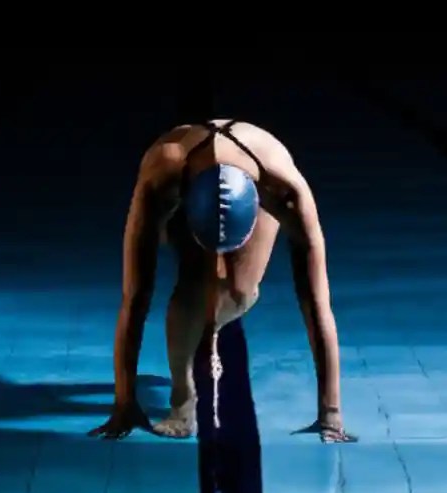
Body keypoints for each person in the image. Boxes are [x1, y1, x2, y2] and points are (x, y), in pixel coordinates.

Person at [88, 119, 354, 443]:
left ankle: (207, 331)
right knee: (189, 292)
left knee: (239, 291)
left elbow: (316, 302)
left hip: (253, 172)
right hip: (186, 178)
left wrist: (331, 414)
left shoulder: (284, 190)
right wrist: (124, 401)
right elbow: (134, 297)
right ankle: (182, 398)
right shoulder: (160, 179)